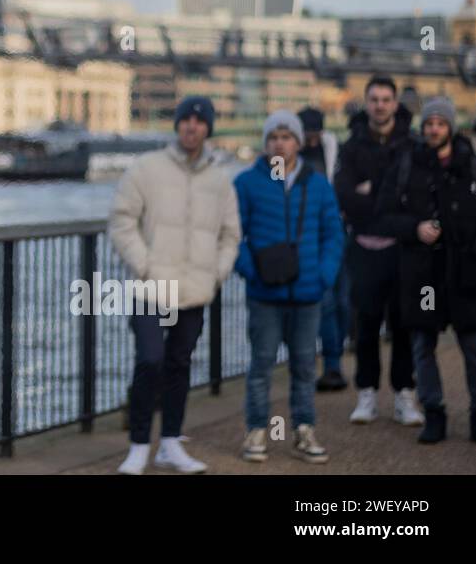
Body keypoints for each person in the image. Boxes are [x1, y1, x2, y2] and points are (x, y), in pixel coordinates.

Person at [109, 95, 241, 474]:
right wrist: (144, 264)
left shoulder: (219, 179)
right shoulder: (146, 168)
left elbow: (231, 235)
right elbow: (122, 220)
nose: (192, 127)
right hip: (151, 286)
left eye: (200, 122)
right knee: (149, 361)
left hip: (195, 286)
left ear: (208, 129)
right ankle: (137, 445)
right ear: (177, 125)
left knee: (179, 365)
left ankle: (170, 443)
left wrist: (217, 271)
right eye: (186, 120)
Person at [234, 112, 345, 463]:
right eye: (273, 137)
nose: (279, 143)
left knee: (304, 366)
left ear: (299, 142)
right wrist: (250, 270)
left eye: (286, 136)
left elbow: (333, 234)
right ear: (266, 144)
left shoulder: (318, 184)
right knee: (261, 364)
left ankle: (304, 430)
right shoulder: (246, 183)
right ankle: (256, 431)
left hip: (307, 291)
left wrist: (324, 275)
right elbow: (232, 235)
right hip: (265, 292)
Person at [372, 95, 476, 444]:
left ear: (451, 127)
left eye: (440, 123)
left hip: (465, 271)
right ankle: (434, 413)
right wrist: (414, 228)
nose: (434, 129)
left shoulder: (471, 165)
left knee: (474, 347)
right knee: (423, 346)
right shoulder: (406, 164)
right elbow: (383, 215)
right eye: (429, 123)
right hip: (424, 275)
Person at [333, 75, 423, 426]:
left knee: (403, 324)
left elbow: (413, 198)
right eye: (374, 99)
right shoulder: (351, 145)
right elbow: (343, 195)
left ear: (395, 104)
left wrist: (367, 195)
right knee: (366, 324)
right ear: (366, 103)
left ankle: (404, 394)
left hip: (402, 250)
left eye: (386, 99)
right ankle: (366, 393)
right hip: (364, 249)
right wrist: (378, 202)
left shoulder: (411, 145)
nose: (380, 105)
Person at [299, 106, 351, 392]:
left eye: (315, 133)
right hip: (310, 236)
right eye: (307, 134)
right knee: (328, 301)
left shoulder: (336, 151)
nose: (311, 140)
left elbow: (347, 184)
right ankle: (332, 364)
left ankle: (336, 354)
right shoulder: (289, 157)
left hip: (340, 231)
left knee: (344, 301)